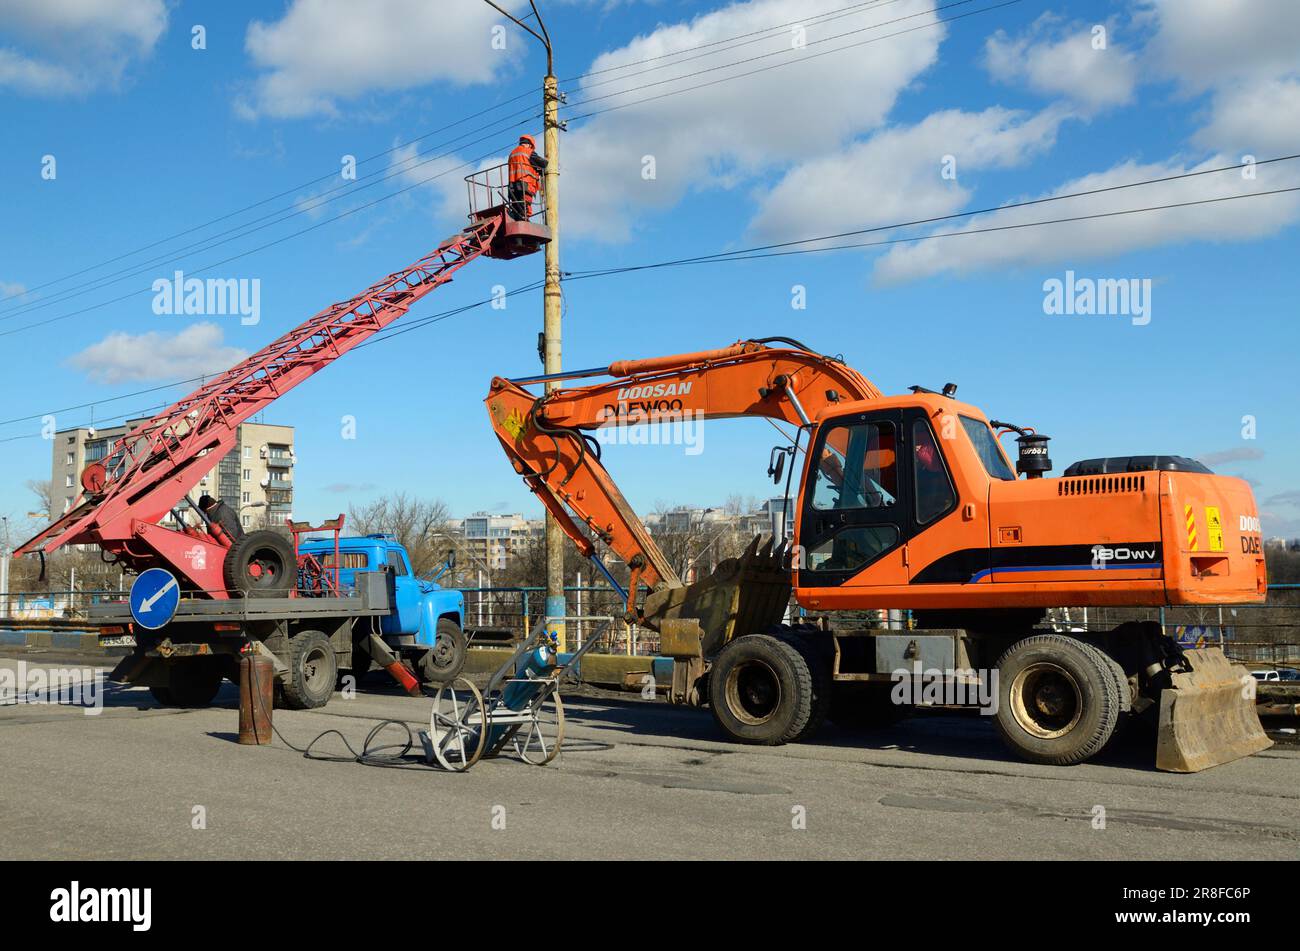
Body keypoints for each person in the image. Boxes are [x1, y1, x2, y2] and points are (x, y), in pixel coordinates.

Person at [507, 134, 548, 220]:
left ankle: (519, 219)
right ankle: (524, 220)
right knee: (525, 209)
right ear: (530, 144)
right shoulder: (528, 151)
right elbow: (543, 164)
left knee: (516, 208)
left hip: (512, 186)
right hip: (525, 184)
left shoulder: (512, 153)